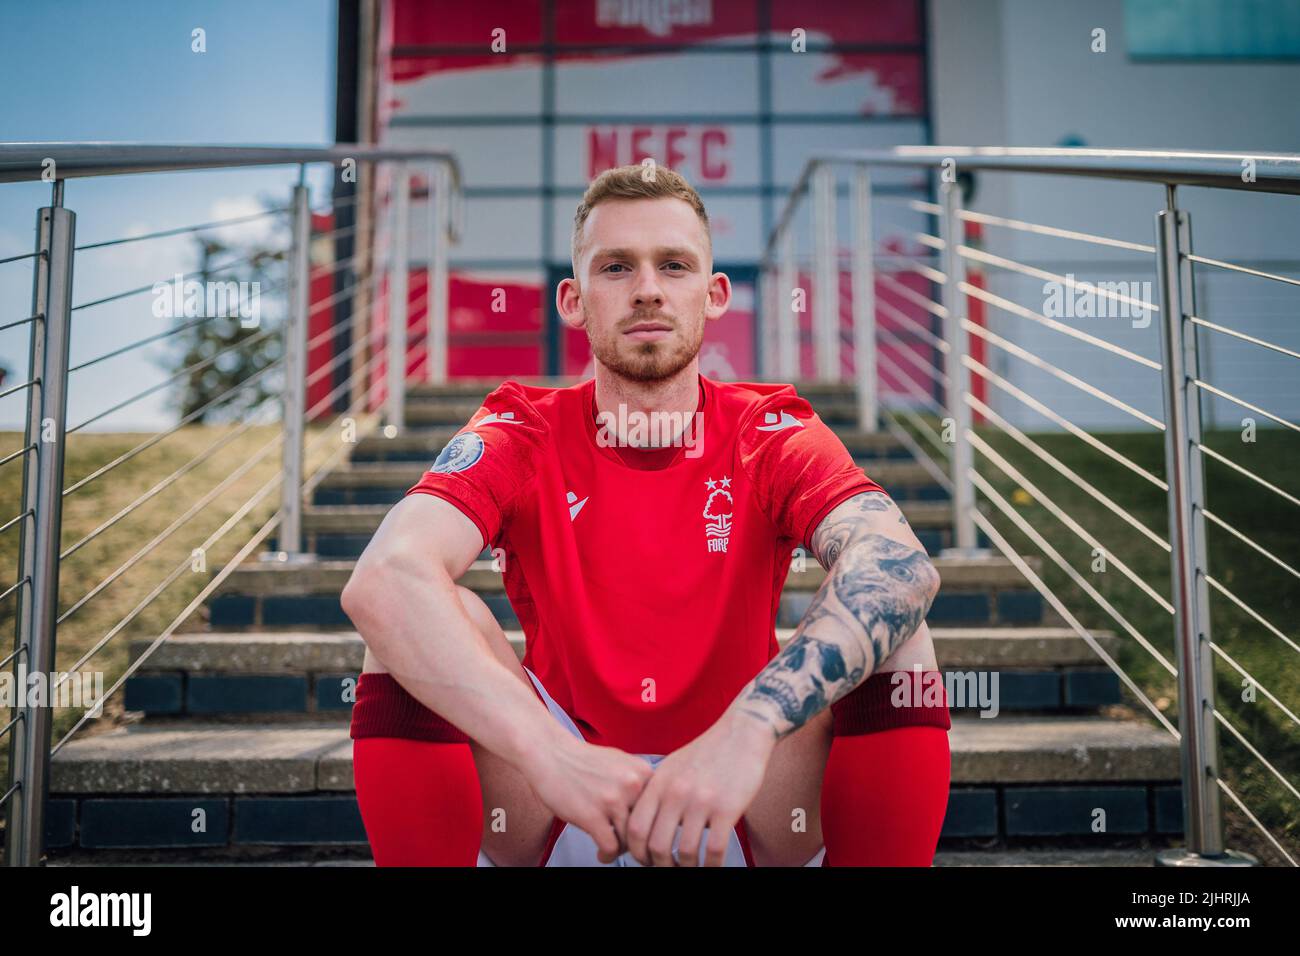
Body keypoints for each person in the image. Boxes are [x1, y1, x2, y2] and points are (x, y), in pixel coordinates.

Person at [341, 164, 951, 867]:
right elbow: (382, 581)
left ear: (714, 294)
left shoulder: (769, 427)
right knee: (412, 619)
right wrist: (550, 755)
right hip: (557, 798)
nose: (648, 288)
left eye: (674, 264)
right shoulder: (520, 427)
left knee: (894, 625)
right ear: (573, 300)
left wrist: (747, 731)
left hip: (742, 798)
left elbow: (900, 567)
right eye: (615, 267)